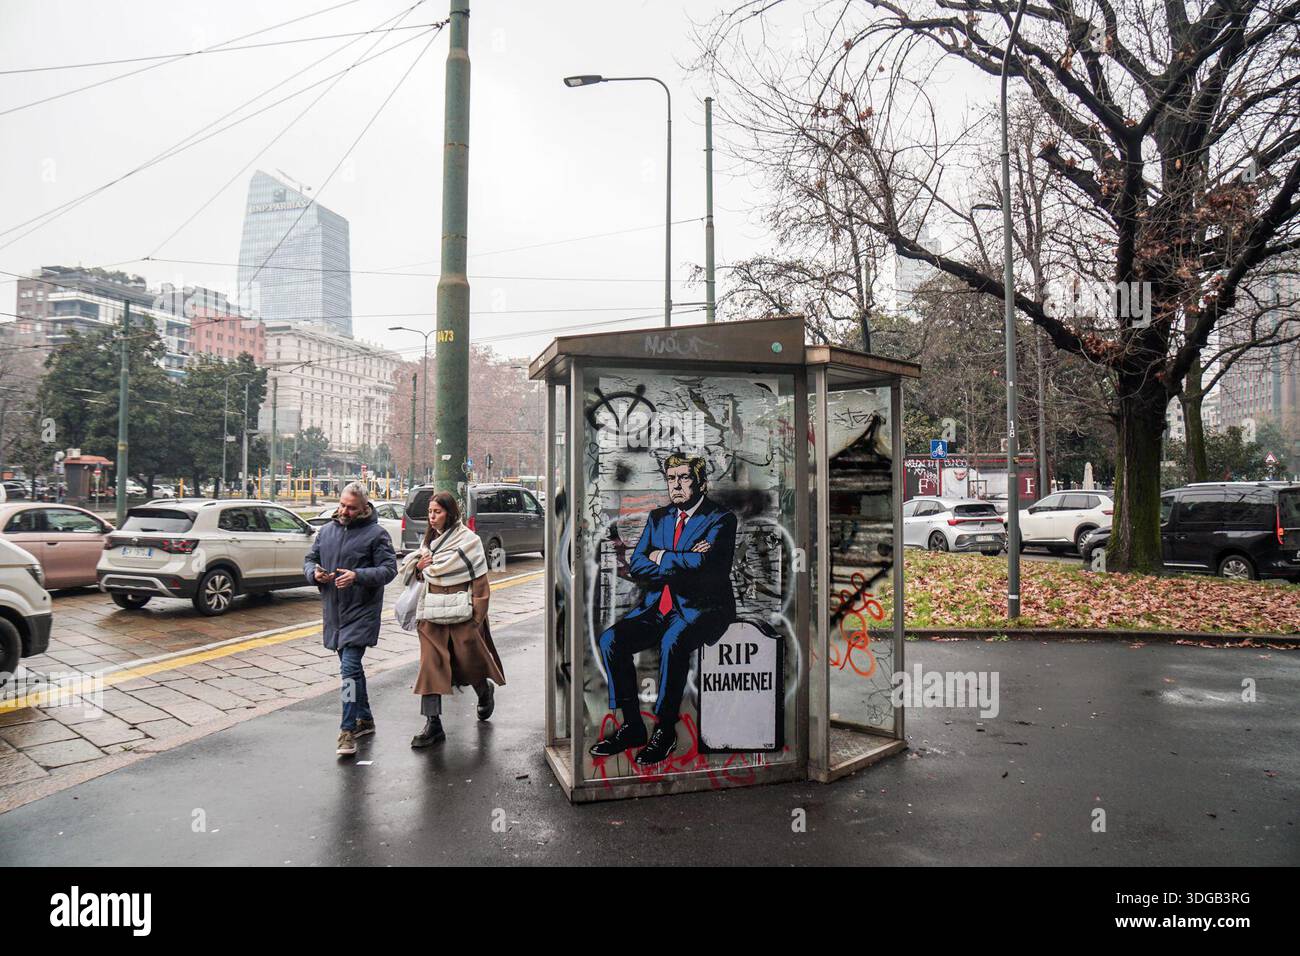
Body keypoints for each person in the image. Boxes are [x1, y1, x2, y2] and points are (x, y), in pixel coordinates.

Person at [588, 454, 737, 766]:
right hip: (659, 605)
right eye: (672, 479)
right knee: (611, 640)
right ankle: (632, 726)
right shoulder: (659, 518)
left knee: (674, 642)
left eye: (684, 478)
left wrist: (662, 556)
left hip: (704, 608)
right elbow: (639, 564)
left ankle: (665, 730)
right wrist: (678, 559)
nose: (677, 485)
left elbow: (709, 568)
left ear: (701, 483)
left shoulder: (721, 519)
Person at [400, 490, 506, 747]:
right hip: (432, 615)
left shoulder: (468, 541)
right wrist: (419, 567)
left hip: (462, 614)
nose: (432, 517)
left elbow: (480, 582)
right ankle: (433, 724)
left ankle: (484, 692)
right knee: (430, 667)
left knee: (469, 665)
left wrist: (475, 619)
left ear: (450, 513)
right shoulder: (430, 542)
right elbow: (419, 574)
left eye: (437, 512)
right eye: (429, 512)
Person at [304, 481, 397, 757]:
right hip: (334, 613)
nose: (344, 511)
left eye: (351, 508)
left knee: (348, 671)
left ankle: (347, 730)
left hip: (361, 613)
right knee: (353, 671)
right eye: (342, 505)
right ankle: (365, 718)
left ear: (364, 508)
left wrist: (358, 576)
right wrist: (314, 574)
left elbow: (389, 570)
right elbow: (309, 560)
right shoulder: (327, 531)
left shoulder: (376, 534)